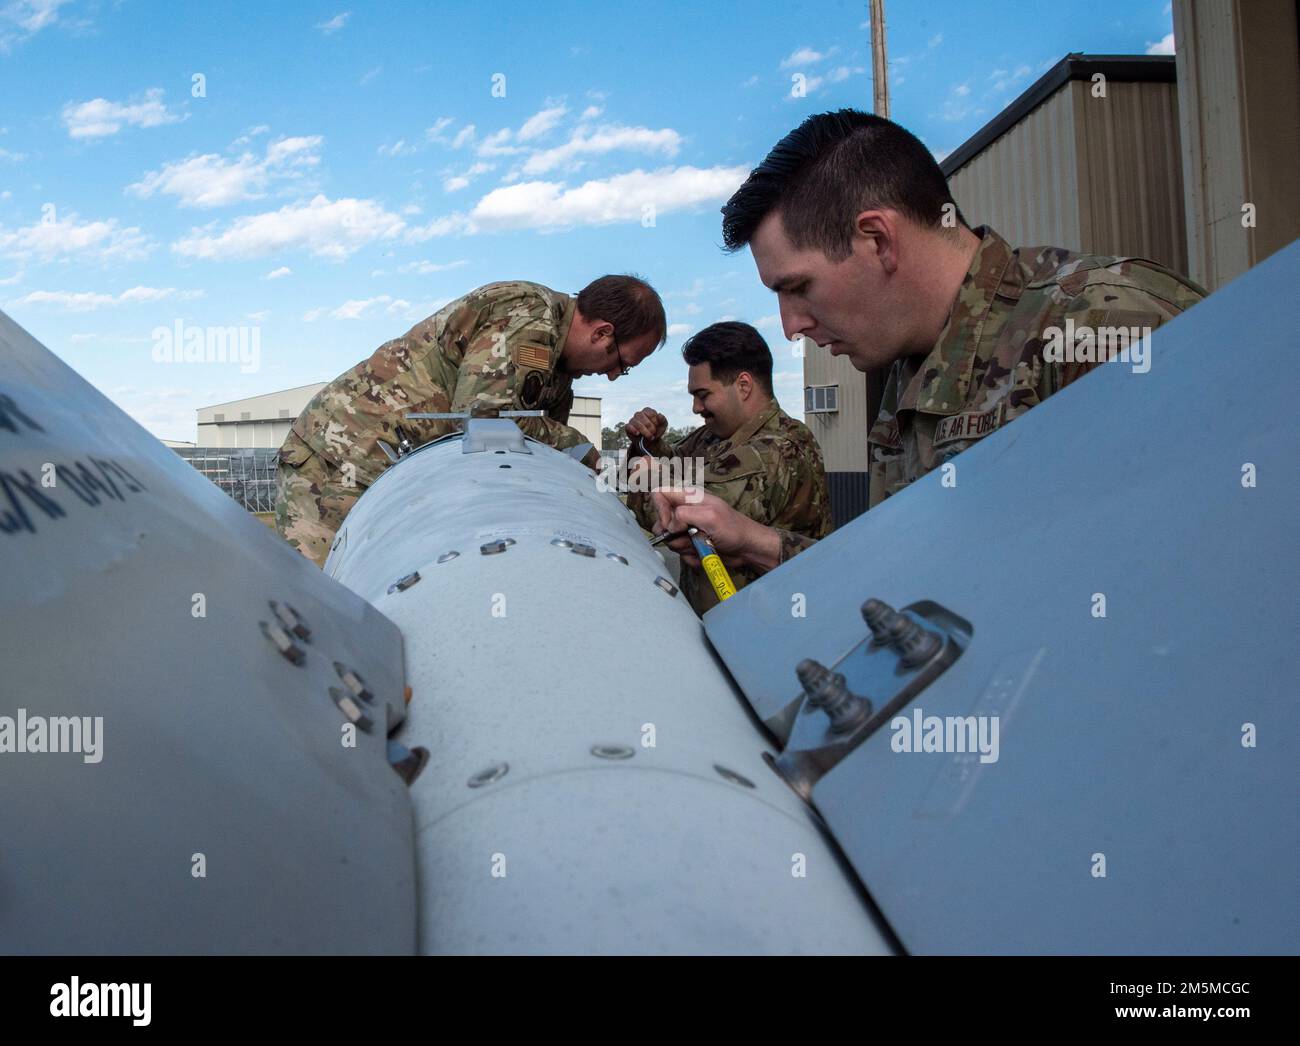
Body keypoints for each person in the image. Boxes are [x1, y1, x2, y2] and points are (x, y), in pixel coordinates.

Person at [651, 109, 1205, 577]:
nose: (792, 326)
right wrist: (751, 540)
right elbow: (905, 574)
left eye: (798, 287)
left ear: (878, 240)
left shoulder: (1100, 326)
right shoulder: (909, 369)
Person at [276, 275, 666, 565]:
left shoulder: (559, 375)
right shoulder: (529, 313)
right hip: (342, 459)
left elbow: (530, 454)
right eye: (623, 364)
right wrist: (591, 458)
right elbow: (486, 419)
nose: (614, 376)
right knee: (326, 602)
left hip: (395, 478)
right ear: (602, 333)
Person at [623, 321, 830, 614]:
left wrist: (646, 474)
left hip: (760, 628)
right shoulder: (716, 436)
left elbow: (674, 516)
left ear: (743, 386)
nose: (696, 408)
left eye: (703, 394)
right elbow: (676, 465)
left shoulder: (772, 451)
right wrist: (649, 443)